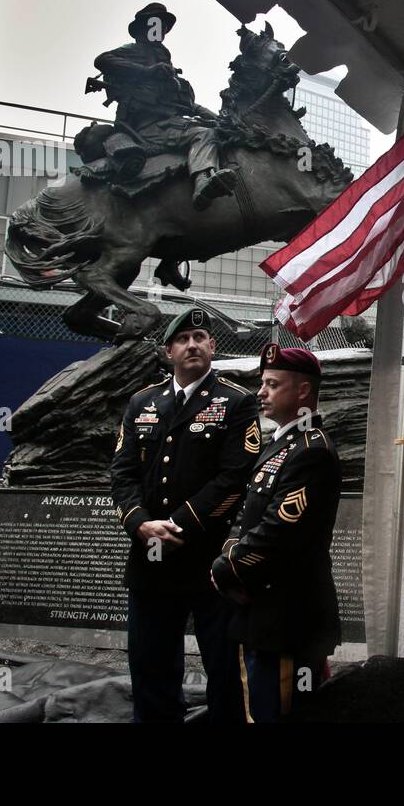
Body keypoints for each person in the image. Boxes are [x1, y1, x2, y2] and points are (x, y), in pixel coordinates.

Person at [110, 307, 263, 722]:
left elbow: (236, 476)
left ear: (213, 347)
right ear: (168, 351)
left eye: (200, 337)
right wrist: (139, 522)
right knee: (150, 662)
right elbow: (122, 474)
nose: (192, 344)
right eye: (183, 339)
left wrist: (179, 523)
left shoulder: (236, 401)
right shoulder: (142, 402)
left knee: (223, 665)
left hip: (209, 558)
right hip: (151, 555)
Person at [211, 343, 342, 723]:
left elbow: (278, 532)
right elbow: (246, 516)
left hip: (287, 614)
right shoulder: (282, 443)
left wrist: (225, 568)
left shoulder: (311, 450)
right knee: (260, 705)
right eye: (262, 383)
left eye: (272, 384)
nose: (261, 392)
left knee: (280, 711)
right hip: (263, 610)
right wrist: (230, 552)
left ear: (303, 392)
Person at [91, 2, 237, 209]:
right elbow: (102, 60)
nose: (160, 31)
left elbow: (191, 107)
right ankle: (202, 182)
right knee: (203, 135)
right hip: (148, 127)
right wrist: (145, 70)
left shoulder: (170, 77)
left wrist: (222, 121)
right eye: (156, 25)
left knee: (218, 133)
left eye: (163, 27)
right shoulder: (135, 51)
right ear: (145, 28)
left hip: (172, 123)